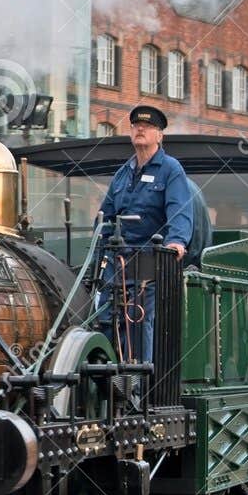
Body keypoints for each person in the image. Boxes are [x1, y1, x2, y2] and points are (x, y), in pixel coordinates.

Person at [96, 105, 194, 362]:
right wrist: (100, 246)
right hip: (117, 261)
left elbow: (180, 210)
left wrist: (176, 242)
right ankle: (107, 374)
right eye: (136, 126)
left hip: (150, 260)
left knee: (139, 319)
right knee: (105, 317)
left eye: (148, 127)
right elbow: (106, 216)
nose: (141, 129)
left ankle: (139, 384)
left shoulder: (171, 169)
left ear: (159, 135)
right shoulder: (122, 173)